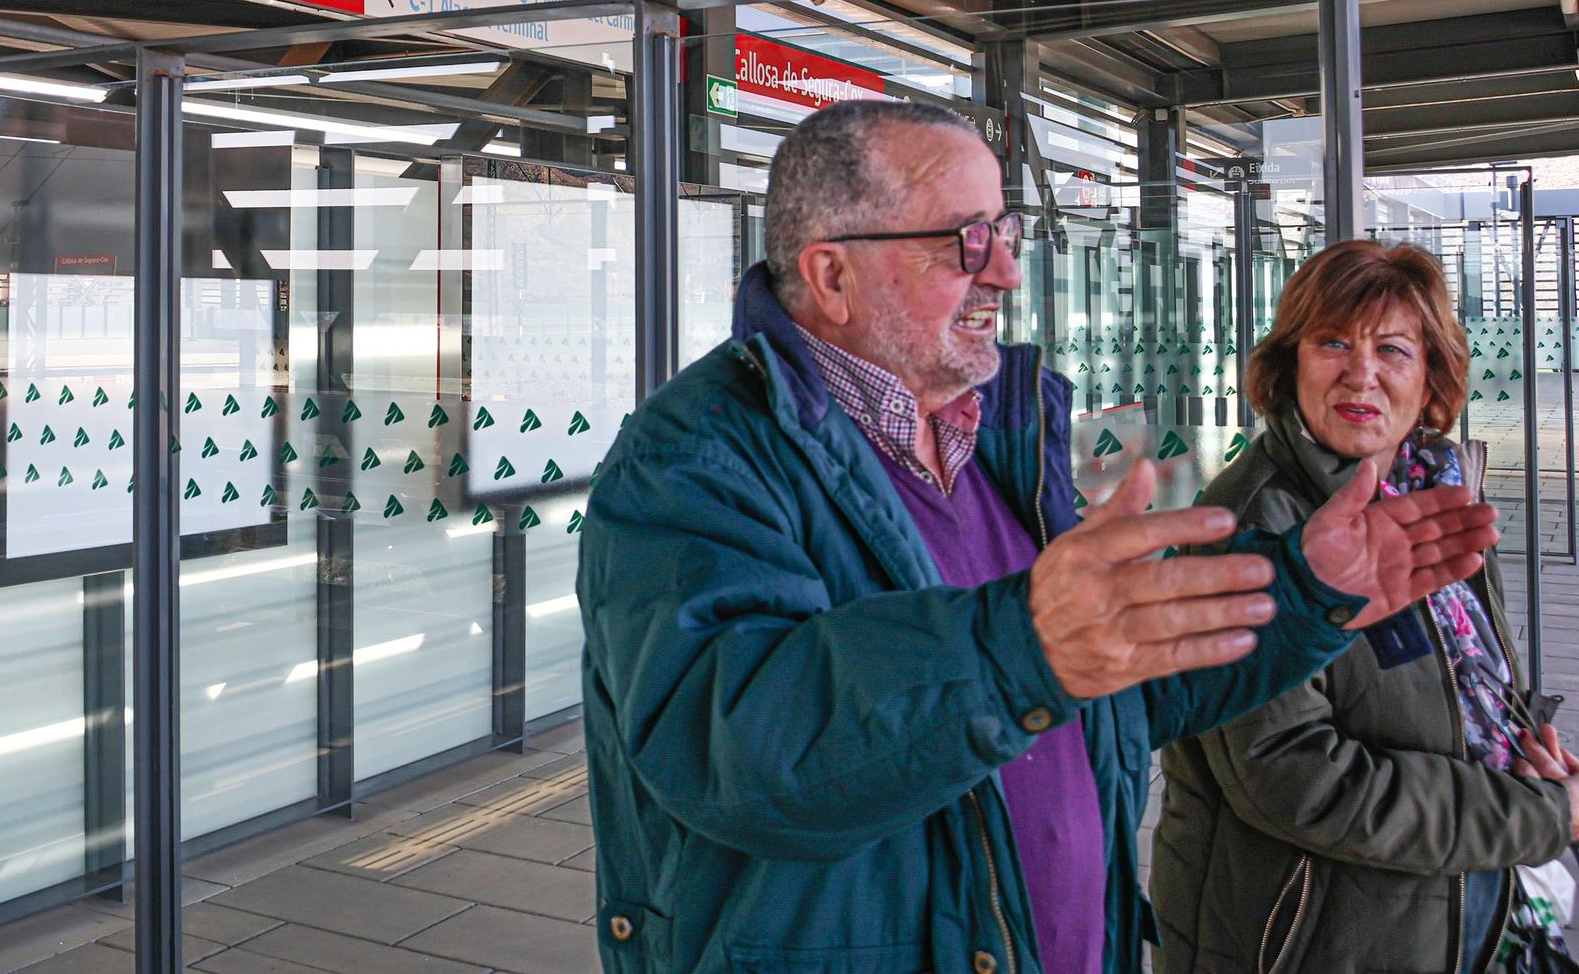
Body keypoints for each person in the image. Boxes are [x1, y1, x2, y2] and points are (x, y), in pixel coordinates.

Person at [577, 100, 1499, 974]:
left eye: (1006, 235)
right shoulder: (692, 457)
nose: (1007, 273)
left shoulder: (1001, 438)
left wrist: (1303, 593)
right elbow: (734, 743)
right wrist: (1026, 643)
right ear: (830, 274)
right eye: (965, 241)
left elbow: (1121, 691)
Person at [1153, 240, 1578, 974]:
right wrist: (1539, 814)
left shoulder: (1432, 491)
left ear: (1431, 375)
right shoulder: (1249, 530)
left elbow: (1464, 682)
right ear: (1291, 364)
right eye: (1332, 343)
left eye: (1392, 349)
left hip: (1454, 906)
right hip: (1311, 939)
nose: (1361, 372)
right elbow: (1296, 778)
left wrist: (1526, 751)